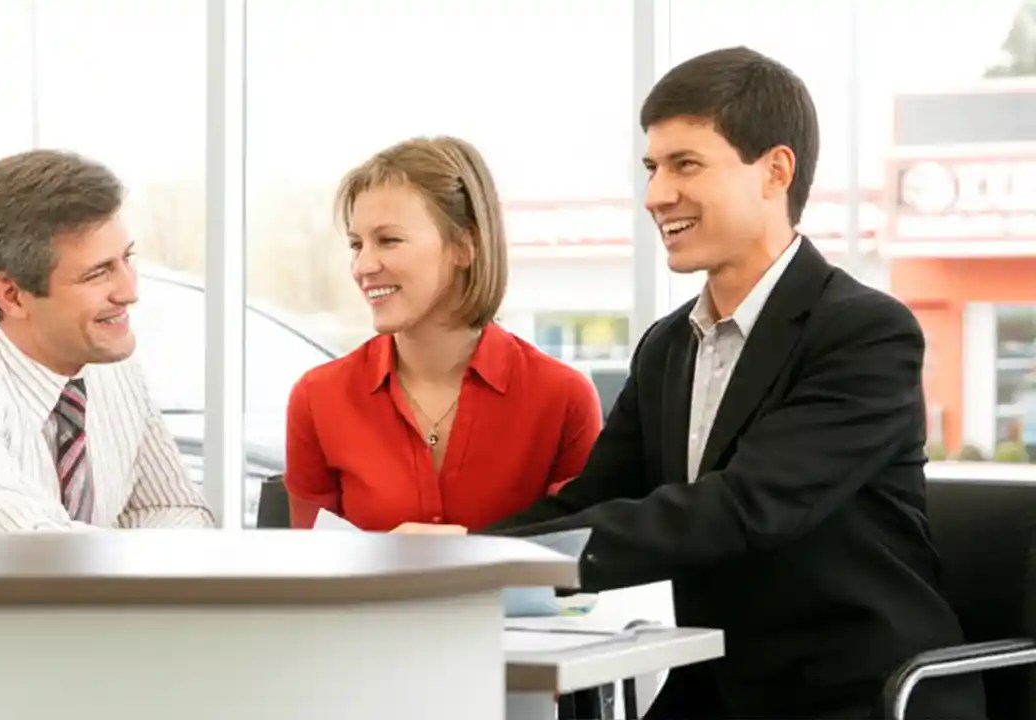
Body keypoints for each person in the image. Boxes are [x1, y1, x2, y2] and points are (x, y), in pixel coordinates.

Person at [395, 48, 985, 718]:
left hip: (858, 694)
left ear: (775, 171)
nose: (656, 195)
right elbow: (595, 499)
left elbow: (742, 508)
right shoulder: (668, 346)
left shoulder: (865, 333)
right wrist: (471, 555)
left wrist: (494, 560)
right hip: (716, 686)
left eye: (686, 164)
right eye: (652, 168)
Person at [0, 149, 214, 531]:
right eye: (98, 273)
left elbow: (175, 508)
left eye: (127, 259)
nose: (129, 291)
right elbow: (39, 555)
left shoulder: (106, 357)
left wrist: (139, 555)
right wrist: (146, 557)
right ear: (12, 295)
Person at [283, 136, 602, 531]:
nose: (363, 266)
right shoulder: (317, 399)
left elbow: (580, 556)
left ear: (464, 246)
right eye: (356, 245)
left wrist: (464, 551)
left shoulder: (563, 399)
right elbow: (310, 562)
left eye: (388, 240)